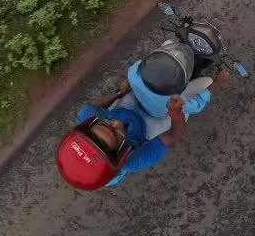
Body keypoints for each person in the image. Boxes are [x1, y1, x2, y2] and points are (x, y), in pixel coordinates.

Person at [56, 30, 226, 191]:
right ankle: (213, 85)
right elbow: (173, 135)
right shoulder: (134, 161)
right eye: (116, 132)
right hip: (152, 124)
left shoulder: (88, 119)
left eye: (106, 123)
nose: (115, 122)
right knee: (204, 86)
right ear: (121, 153)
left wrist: (120, 93)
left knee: (158, 57)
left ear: (87, 129)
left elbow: (98, 108)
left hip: (127, 104)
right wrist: (177, 114)